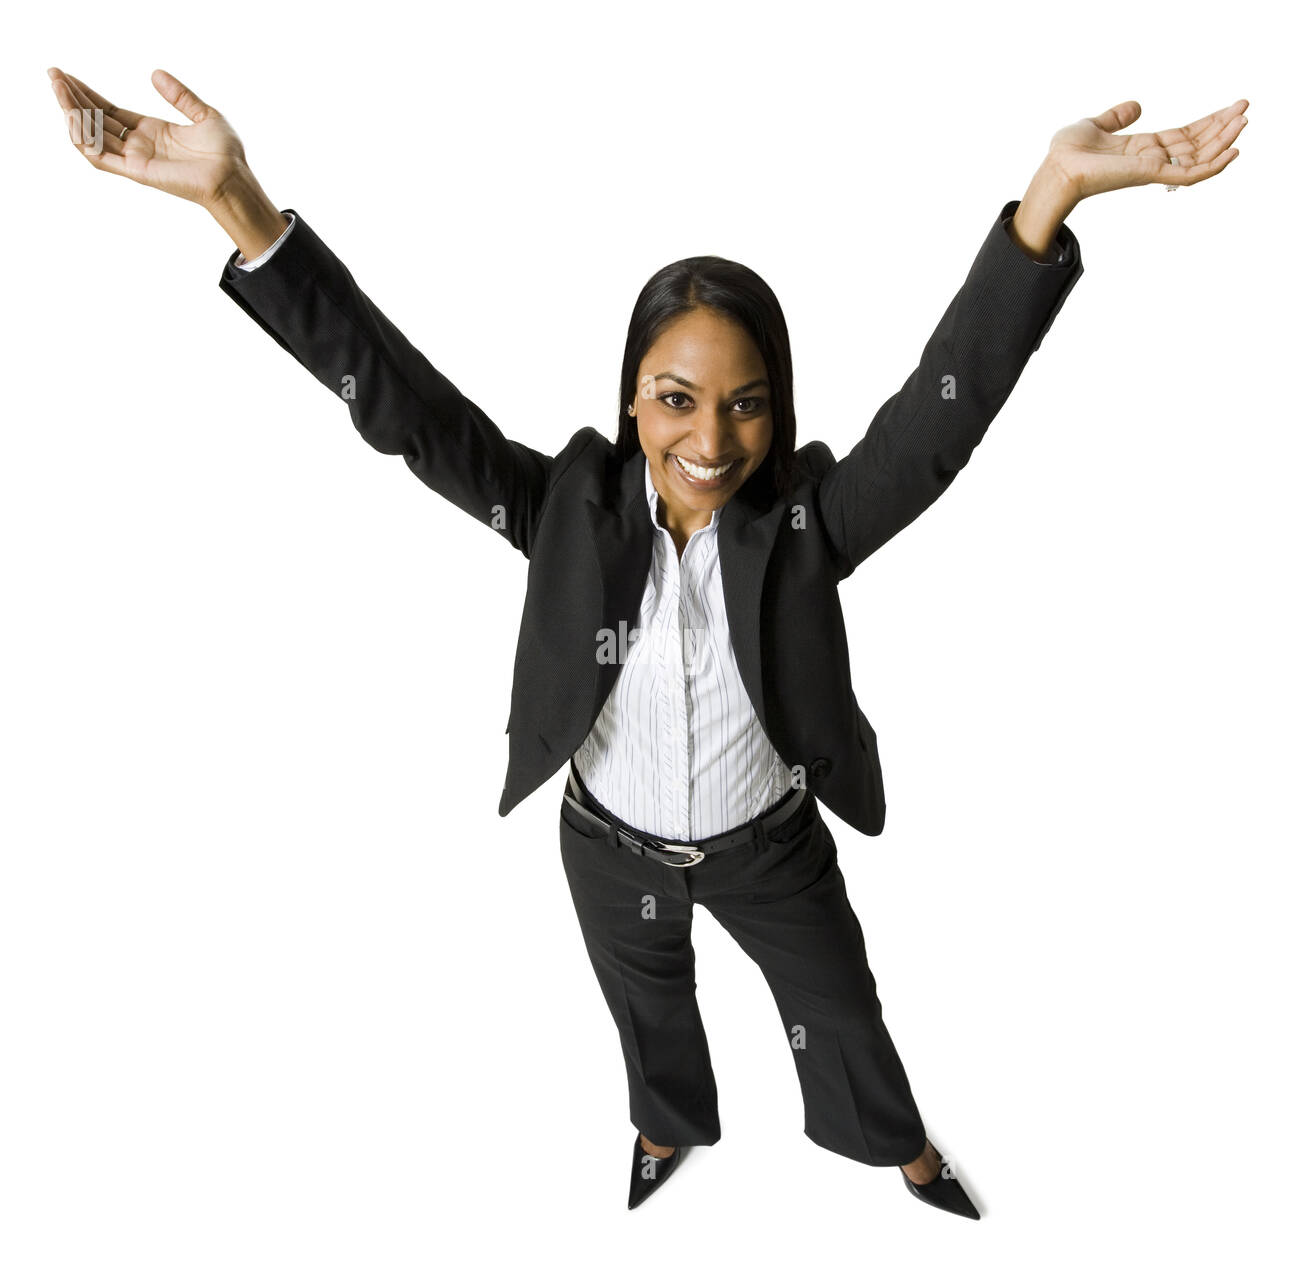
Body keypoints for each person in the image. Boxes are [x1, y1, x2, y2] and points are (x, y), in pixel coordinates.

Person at [49, 68, 1247, 1218]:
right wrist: (236, 205)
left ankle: (902, 1146)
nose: (710, 437)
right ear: (632, 398)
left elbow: (942, 413)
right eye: (676, 397)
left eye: (745, 401)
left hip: (768, 847)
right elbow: (405, 407)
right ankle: (665, 1124)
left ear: (779, 407)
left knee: (838, 1009)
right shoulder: (567, 507)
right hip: (608, 845)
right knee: (646, 1007)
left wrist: (1046, 201)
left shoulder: (807, 524)